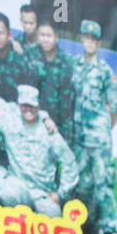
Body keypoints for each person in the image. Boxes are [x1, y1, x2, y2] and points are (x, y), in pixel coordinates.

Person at [72, 19, 117, 234]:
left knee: (103, 187)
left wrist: (103, 130)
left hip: (99, 138)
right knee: (83, 187)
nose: (89, 42)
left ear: (99, 43)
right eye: (86, 37)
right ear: (81, 39)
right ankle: (86, 232)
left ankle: (109, 233)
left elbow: (116, 108)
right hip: (79, 138)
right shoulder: (75, 66)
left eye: (94, 39)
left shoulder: (105, 72)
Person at [0, 84, 78, 217]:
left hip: (42, 194)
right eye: (24, 105)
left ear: (38, 107)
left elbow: (69, 162)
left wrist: (61, 194)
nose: (28, 109)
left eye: (32, 106)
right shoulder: (10, 123)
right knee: (6, 193)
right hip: (18, 189)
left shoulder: (49, 132)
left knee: (55, 224)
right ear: (19, 105)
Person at [27, 20, 76, 150]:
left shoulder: (66, 61)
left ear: (56, 37)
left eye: (49, 36)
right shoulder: (29, 56)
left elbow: (68, 101)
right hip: (33, 120)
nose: (45, 39)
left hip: (58, 121)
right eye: (42, 35)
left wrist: (67, 134)